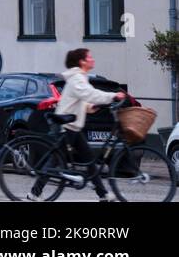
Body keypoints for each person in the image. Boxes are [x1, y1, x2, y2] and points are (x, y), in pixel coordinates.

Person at [30, 47, 126, 201]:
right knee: (55, 161)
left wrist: (89, 107)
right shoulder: (77, 78)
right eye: (89, 57)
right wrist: (113, 95)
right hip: (67, 126)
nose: (92, 59)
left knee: (89, 161)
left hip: (74, 126)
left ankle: (103, 195)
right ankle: (34, 193)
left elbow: (78, 99)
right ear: (82, 61)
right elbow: (89, 94)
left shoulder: (80, 77)